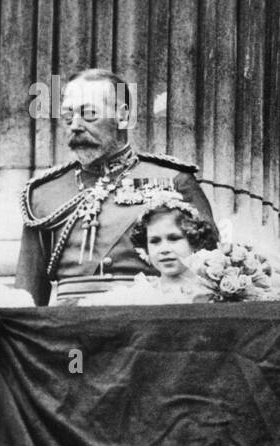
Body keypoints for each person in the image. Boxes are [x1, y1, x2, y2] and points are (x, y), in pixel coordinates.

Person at [16, 68, 217, 305]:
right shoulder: (44, 193)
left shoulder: (173, 179)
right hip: (69, 329)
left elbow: (210, 270)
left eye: (89, 114)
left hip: (148, 321)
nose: (75, 126)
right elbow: (27, 294)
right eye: (68, 116)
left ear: (122, 116)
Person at [87, 195, 220, 305]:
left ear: (194, 241)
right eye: (155, 241)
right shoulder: (140, 294)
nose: (164, 250)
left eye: (174, 238)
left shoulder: (214, 292)